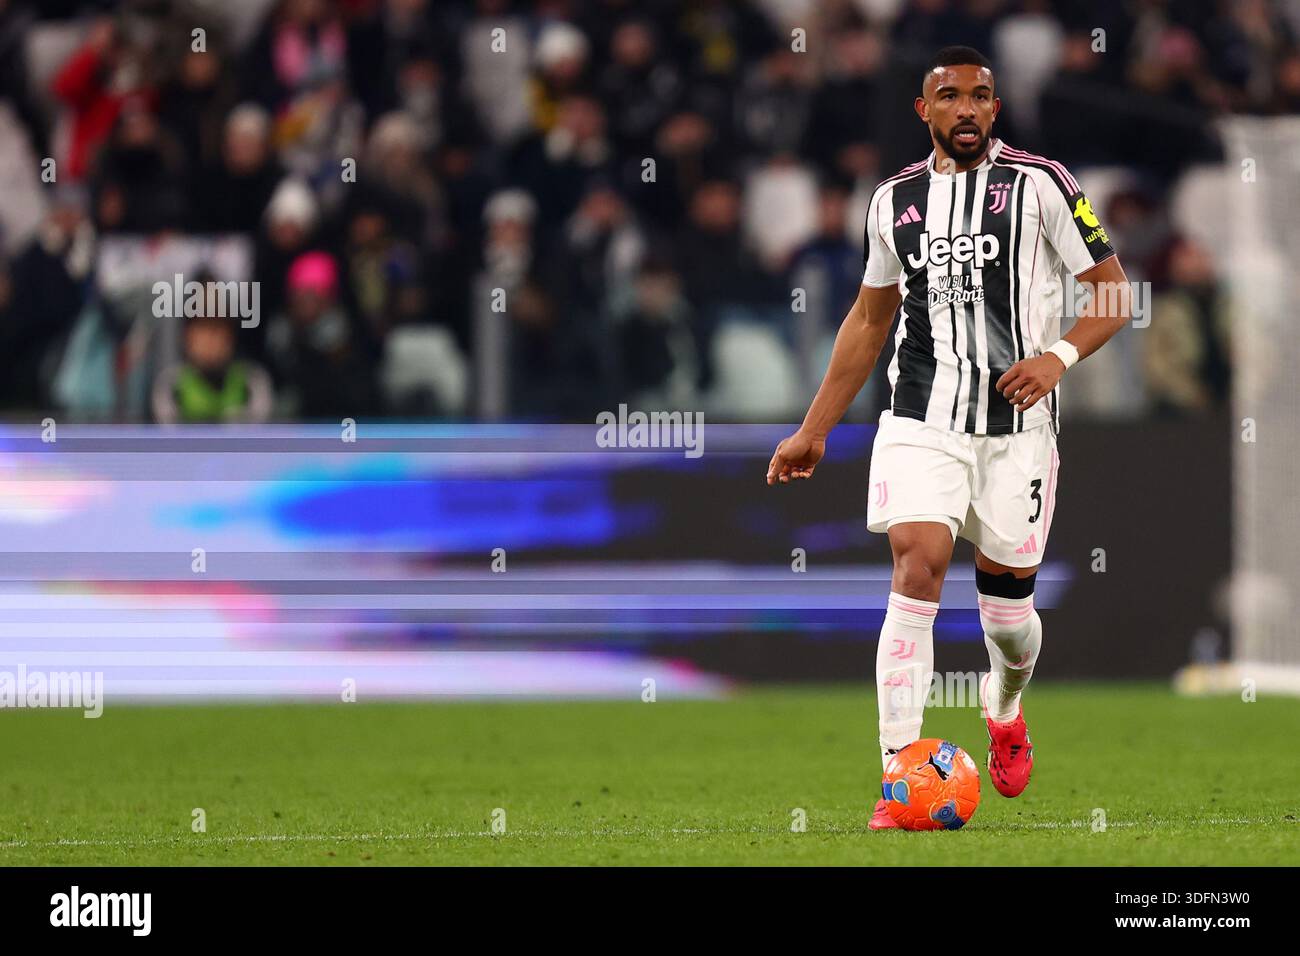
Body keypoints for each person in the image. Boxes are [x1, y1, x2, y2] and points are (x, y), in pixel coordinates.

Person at [765, 47, 1132, 829]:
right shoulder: (893, 202)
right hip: (920, 418)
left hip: (1018, 429)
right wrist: (814, 429)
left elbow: (1112, 292)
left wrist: (1056, 357)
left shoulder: (1043, 184)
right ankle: (899, 775)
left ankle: (1004, 709)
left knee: (1008, 621)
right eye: (950, 97)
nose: (966, 109)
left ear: (995, 109)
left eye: (980, 97)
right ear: (923, 111)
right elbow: (870, 320)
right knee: (918, 564)